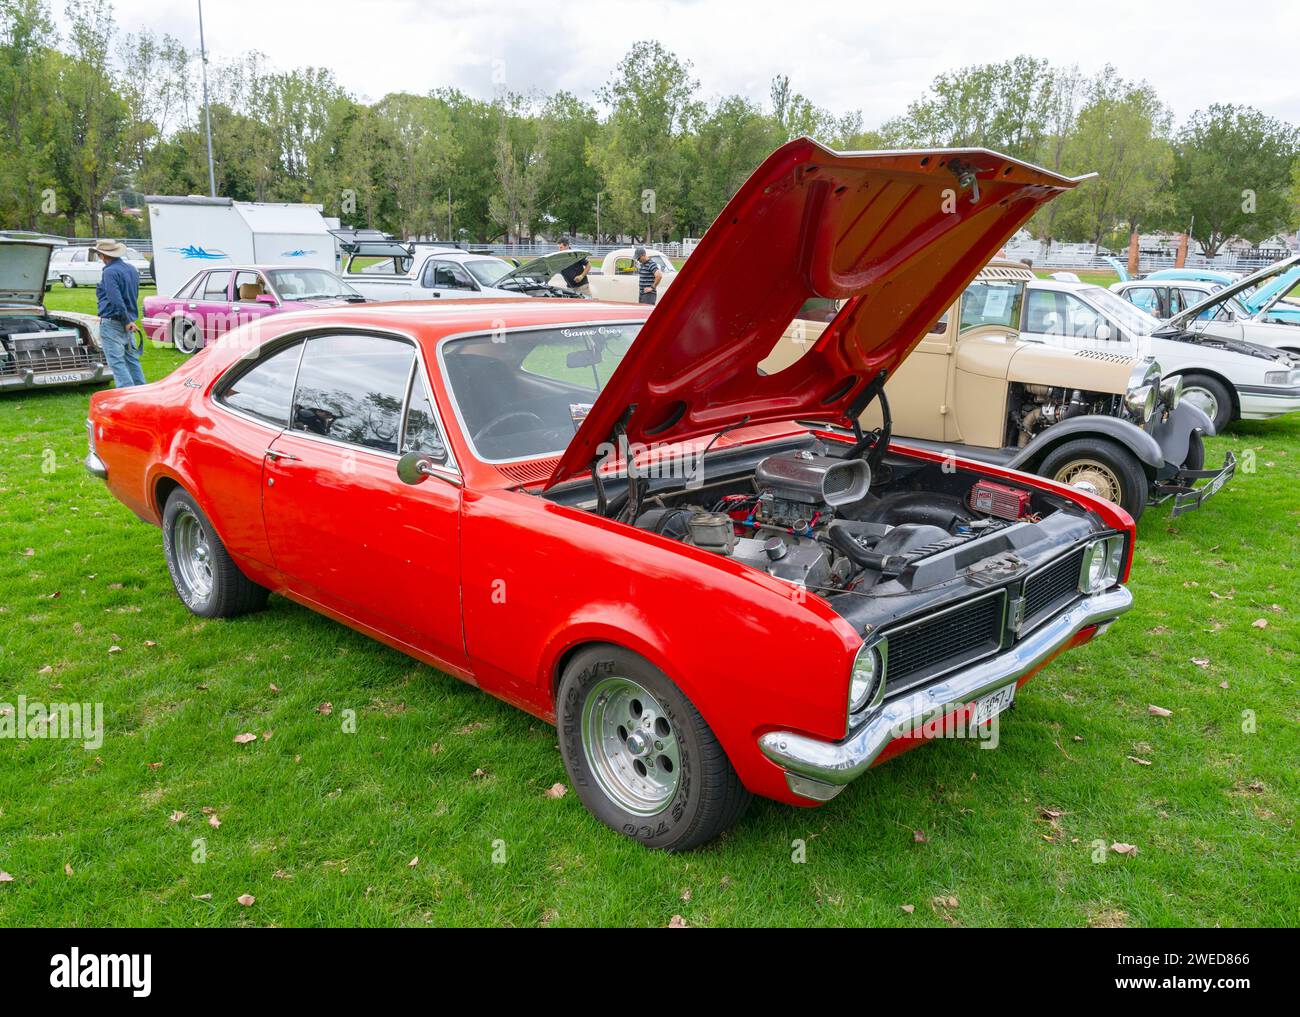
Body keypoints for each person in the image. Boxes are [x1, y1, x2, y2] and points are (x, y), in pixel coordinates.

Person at [94, 239, 145, 387]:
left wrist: (126, 321)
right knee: (132, 360)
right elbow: (131, 296)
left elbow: (115, 299)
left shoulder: (109, 272)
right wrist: (129, 320)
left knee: (117, 363)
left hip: (114, 322)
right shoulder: (131, 269)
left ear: (103, 255)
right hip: (128, 321)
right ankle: (141, 391)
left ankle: (126, 395)